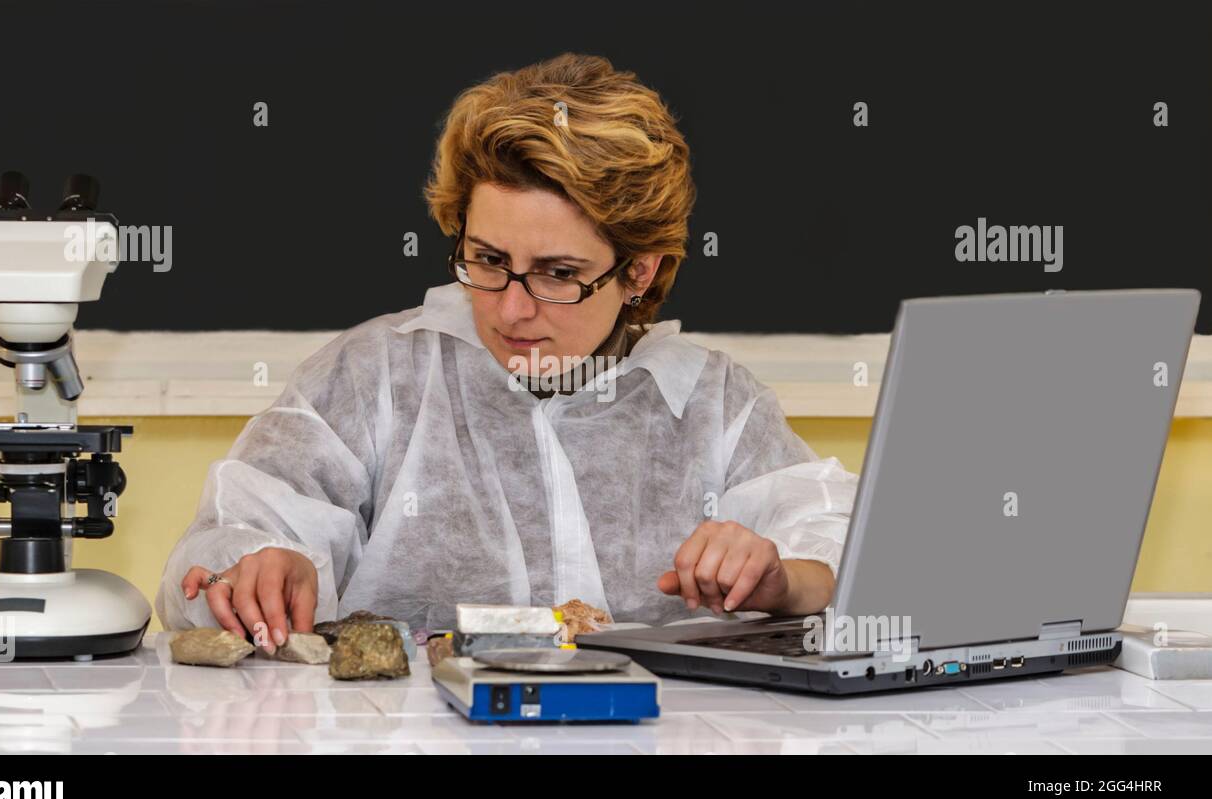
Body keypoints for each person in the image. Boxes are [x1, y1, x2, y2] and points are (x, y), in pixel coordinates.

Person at [155, 53, 858, 653]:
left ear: (639, 272)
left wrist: (783, 580)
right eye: (488, 259)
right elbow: (219, 550)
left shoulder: (715, 406)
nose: (512, 308)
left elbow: (848, 550)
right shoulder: (373, 377)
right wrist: (254, 570)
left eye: (558, 274)